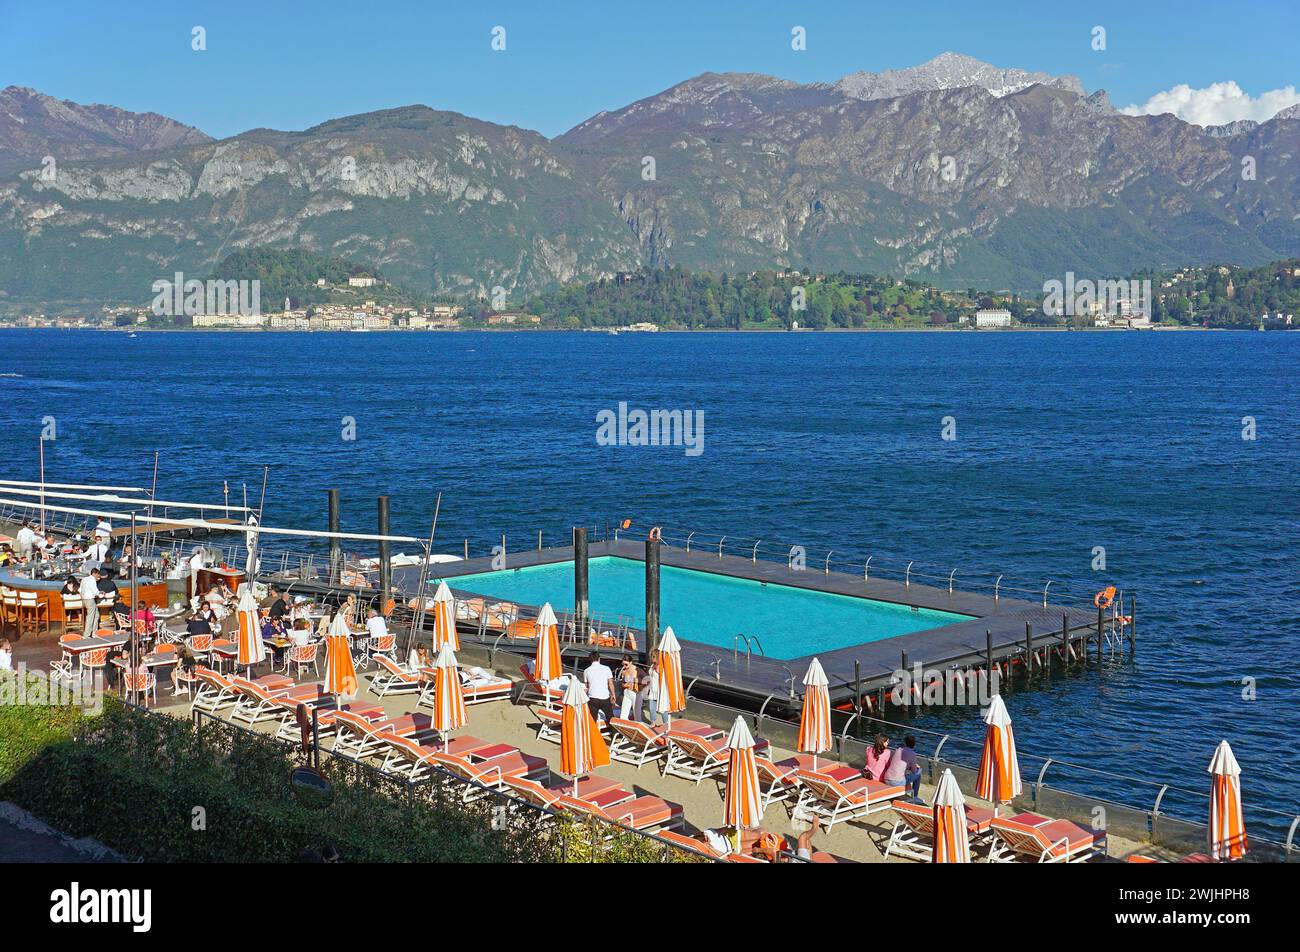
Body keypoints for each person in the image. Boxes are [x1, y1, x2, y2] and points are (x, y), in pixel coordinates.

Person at [883, 734, 923, 799]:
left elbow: (899, 764)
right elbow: (914, 771)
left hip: (886, 778)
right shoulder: (912, 754)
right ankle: (915, 796)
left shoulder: (898, 749)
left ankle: (914, 795)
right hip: (896, 782)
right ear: (914, 744)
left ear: (905, 742)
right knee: (919, 772)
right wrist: (916, 766)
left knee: (905, 773)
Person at [583, 652, 615, 725]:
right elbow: (610, 683)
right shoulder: (606, 668)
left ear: (590, 660)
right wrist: (613, 694)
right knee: (610, 717)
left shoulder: (586, 671)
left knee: (592, 719)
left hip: (593, 698)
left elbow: (586, 686)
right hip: (605, 697)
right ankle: (614, 733)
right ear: (599, 659)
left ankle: (592, 734)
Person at [643, 650, 666, 728]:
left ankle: (666, 723)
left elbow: (664, 679)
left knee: (662, 709)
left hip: (660, 692)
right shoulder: (652, 665)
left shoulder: (661, 667)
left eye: (653, 656)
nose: (651, 658)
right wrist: (647, 688)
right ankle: (653, 723)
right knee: (651, 708)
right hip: (652, 691)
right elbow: (650, 678)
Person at [78, 568, 102, 639]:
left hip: (85, 599)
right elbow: (95, 591)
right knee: (90, 617)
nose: (98, 576)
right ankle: (87, 635)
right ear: (95, 573)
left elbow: (80, 590)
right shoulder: (92, 580)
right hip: (90, 599)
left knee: (96, 615)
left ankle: (94, 633)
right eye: (98, 574)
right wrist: (100, 593)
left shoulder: (84, 579)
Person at [617, 657, 642, 721]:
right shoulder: (624, 671)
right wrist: (624, 685)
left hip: (635, 694)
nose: (624, 666)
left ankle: (639, 729)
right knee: (623, 716)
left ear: (630, 662)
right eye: (623, 664)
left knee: (637, 717)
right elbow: (622, 683)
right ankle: (624, 729)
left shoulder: (637, 670)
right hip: (627, 694)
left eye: (626, 664)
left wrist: (636, 681)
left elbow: (646, 679)